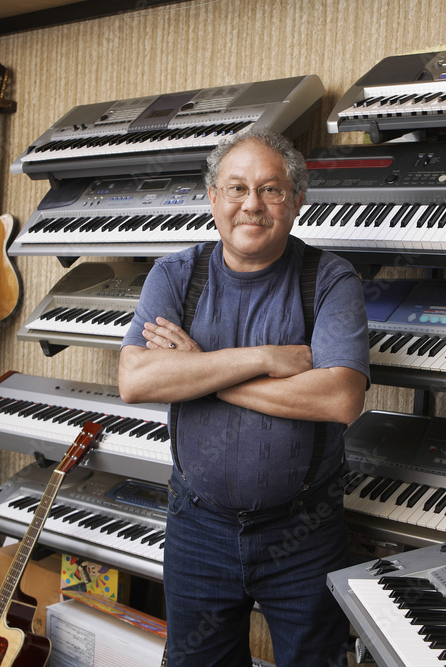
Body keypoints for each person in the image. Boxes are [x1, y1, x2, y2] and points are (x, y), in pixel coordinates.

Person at [118, 127, 369, 666]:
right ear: (213, 198)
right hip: (198, 528)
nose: (251, 205)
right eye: (236, 189)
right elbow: (137, 380)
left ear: (296, 200)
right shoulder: (175, 276)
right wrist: (266, 358)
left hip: (304, 533)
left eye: (271, 190)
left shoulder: (329, 279)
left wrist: (200, 369)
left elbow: (340, 398)